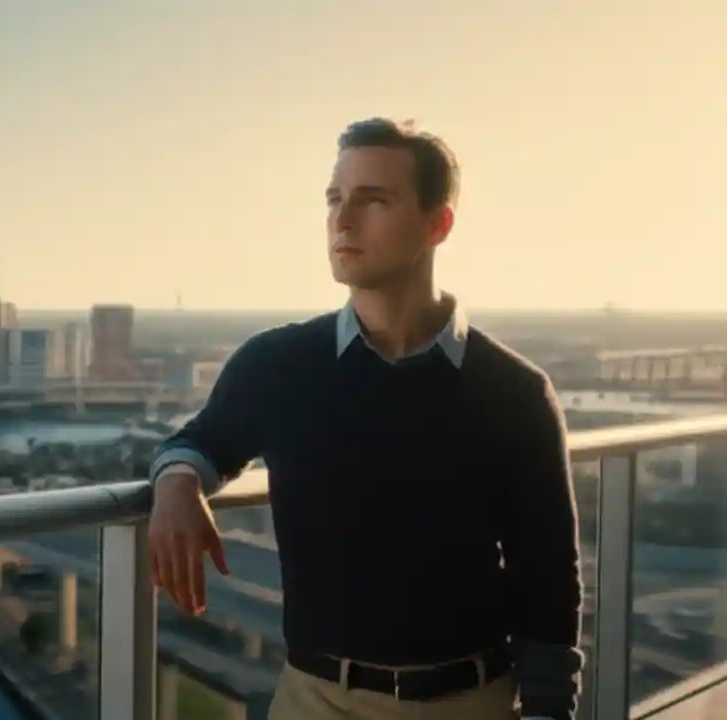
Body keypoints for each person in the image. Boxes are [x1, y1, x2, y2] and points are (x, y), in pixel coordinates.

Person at [146, 118, 583, 720]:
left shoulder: (515, 392)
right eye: (334, 198)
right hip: (315, 701)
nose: (342, 220)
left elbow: (549, 582)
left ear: (438, 224)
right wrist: (176, 483)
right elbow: (200, 442)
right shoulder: (278, 363)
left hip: (469, 705)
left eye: (373, 200)